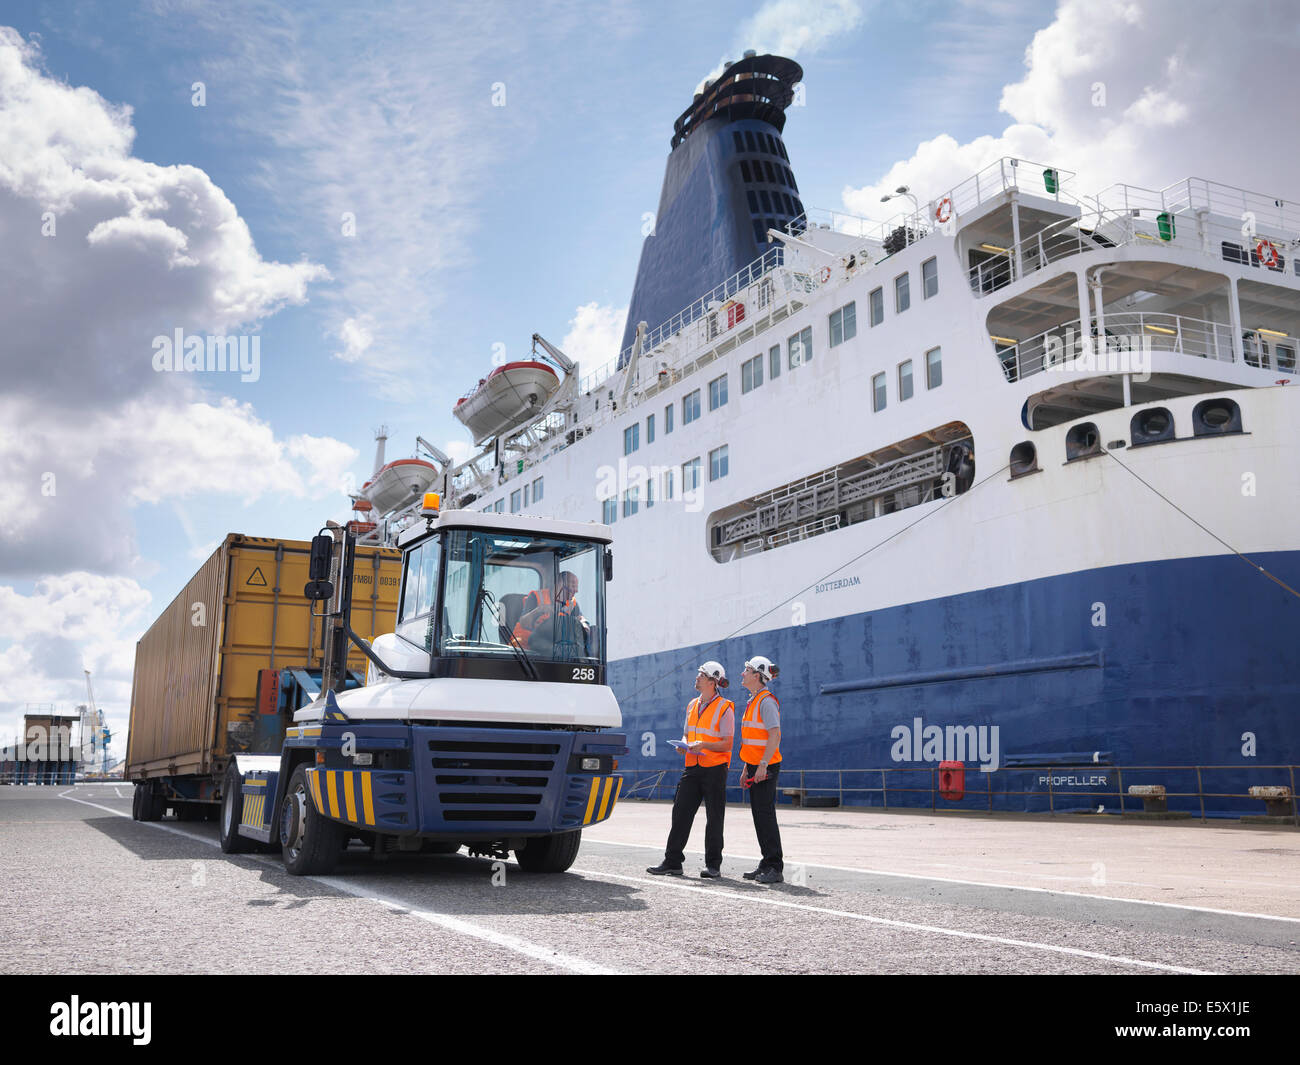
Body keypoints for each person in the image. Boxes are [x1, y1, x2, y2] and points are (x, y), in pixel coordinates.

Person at [647, 661, 735, 879]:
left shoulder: (725, 708)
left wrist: (703, 745)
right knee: (680, 813)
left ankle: (713, 865)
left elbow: (727, 744)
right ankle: (673, 862)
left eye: (701, 675)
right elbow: (687, 733)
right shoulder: (691, 705)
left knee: (715, 817)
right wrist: (684, 744)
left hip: (715, 768)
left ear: (713, 681)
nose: (696, 678)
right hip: (692, 767)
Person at [739, 656, 783, 884]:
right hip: (756, 766)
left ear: (757, 675)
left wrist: (763, 765)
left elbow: (774, 735)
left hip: (766, 766)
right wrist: (748, 767)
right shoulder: (754, 701)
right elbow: (752, 739)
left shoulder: (766, 701)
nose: (742, 674)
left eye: (746, 670)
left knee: (765, 815)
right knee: (759, 816)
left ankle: (775, 866)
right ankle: (766, 863)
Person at [512, 570, 587, 652]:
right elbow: (524, 623)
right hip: (525, 651)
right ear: (560, 585)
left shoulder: (573, 605)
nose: (576, 590)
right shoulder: (536, 597)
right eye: (573, 586)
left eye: (576, 586)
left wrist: (584, 624)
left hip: (550, 649)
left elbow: (580, 622)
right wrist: (539, 610)